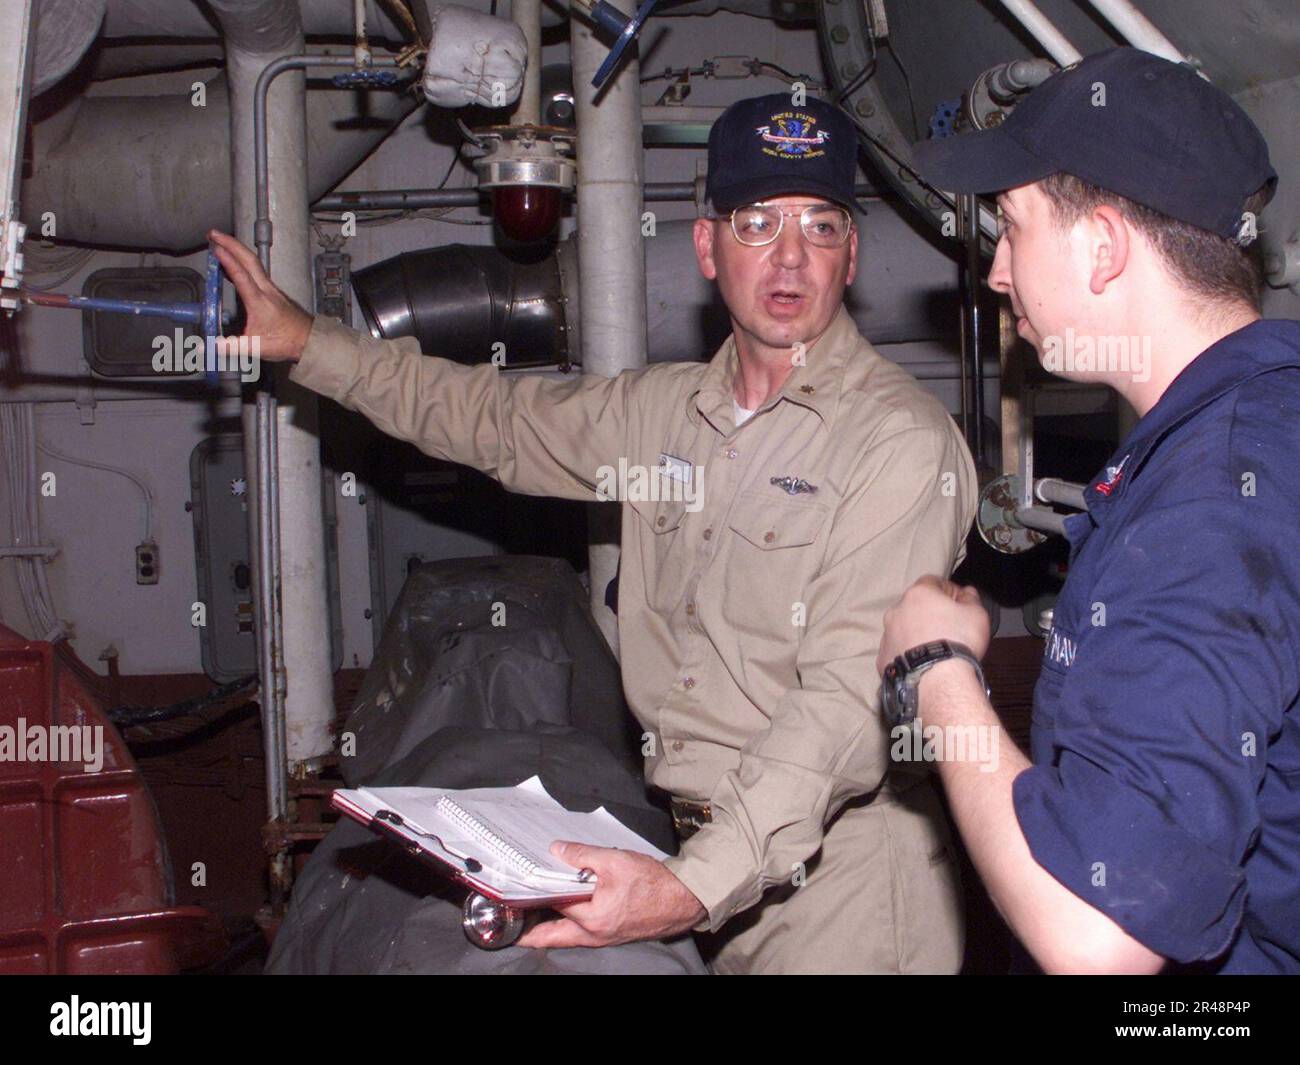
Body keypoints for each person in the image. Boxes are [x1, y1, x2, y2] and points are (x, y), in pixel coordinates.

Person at [212, 91, 977, 974]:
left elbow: (844, 706)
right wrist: (309, 343)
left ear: (851, 257)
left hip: (838, 892)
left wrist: (691, 886)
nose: (791, 256)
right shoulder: (660, 413)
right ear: (707, 247)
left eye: (822, 225)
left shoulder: (899, 442)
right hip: (700, 870)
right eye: (757, 221)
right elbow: (487, 416)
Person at [877, 47, 1299, 973]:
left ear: (1104, 247)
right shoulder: (1271, 421)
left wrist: (937, 669)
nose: (995, 273)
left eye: (1015, 228)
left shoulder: (1207, 508)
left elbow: (1098, 934)